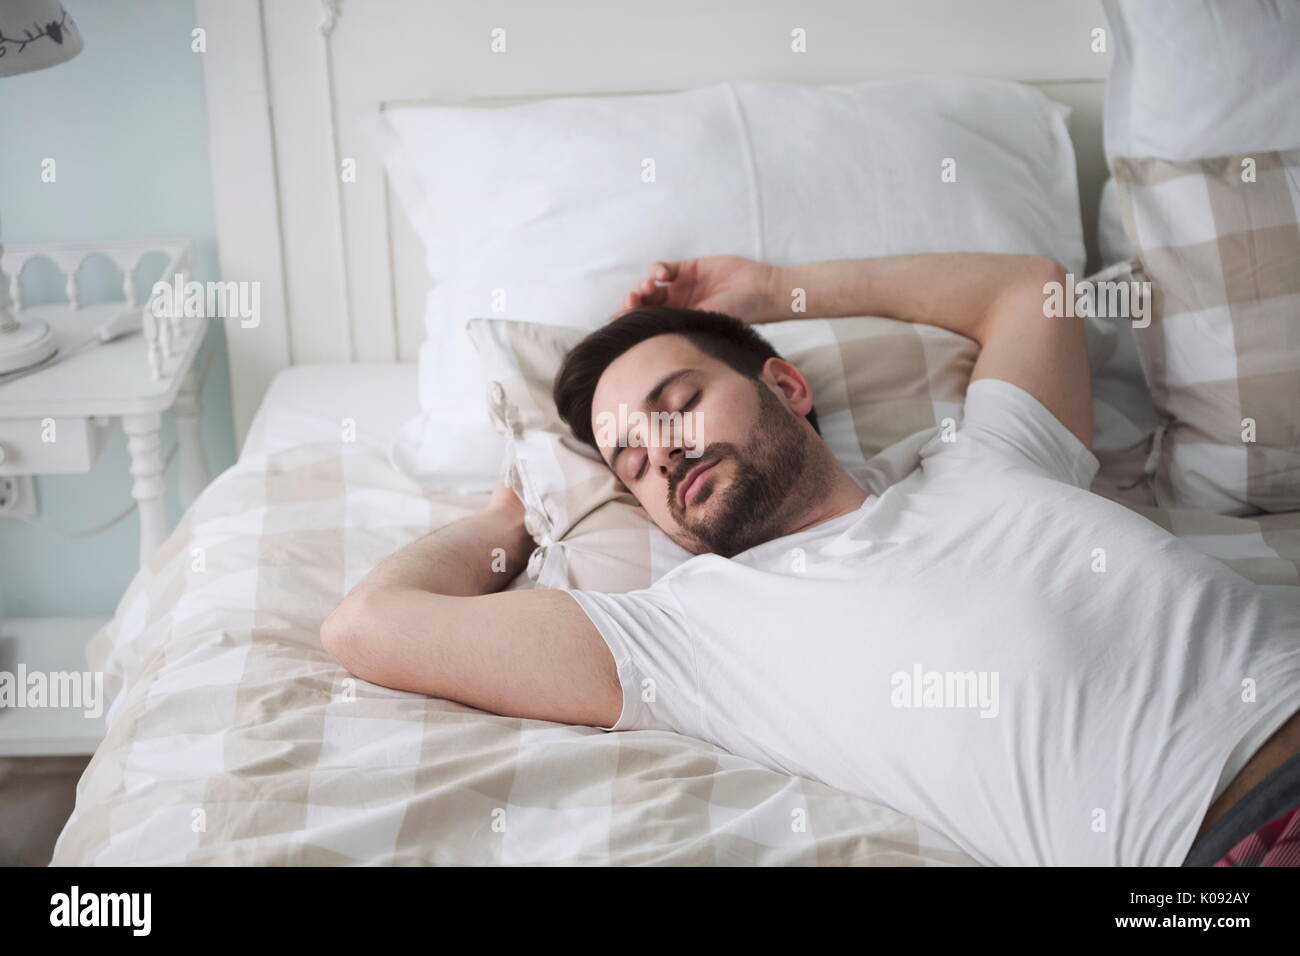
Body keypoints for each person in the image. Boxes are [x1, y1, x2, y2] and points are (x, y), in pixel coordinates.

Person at [321, 253, 1300, 866]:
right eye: (628, 456)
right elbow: (367, 623)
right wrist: (516, 509)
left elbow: (1027, 287)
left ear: (786, 384)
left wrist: (775, 287)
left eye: (675, 402)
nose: (659, 452)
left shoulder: (984, 456)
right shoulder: (684, 632)